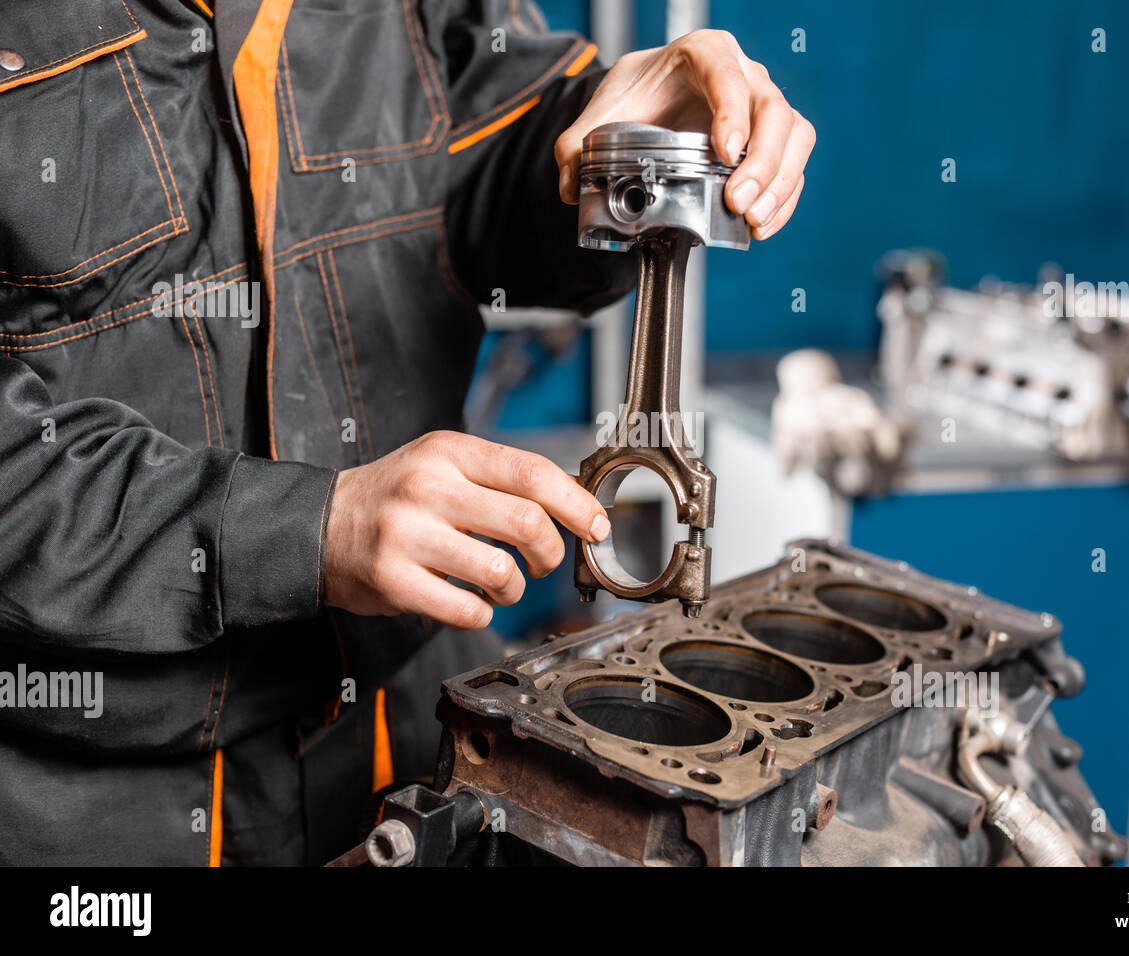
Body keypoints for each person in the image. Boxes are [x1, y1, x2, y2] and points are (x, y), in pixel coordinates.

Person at [0, 0, 813, 865]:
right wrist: (309, 530)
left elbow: (483, 170)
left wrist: (616, 154)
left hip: (417, 733)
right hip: (98, 808)